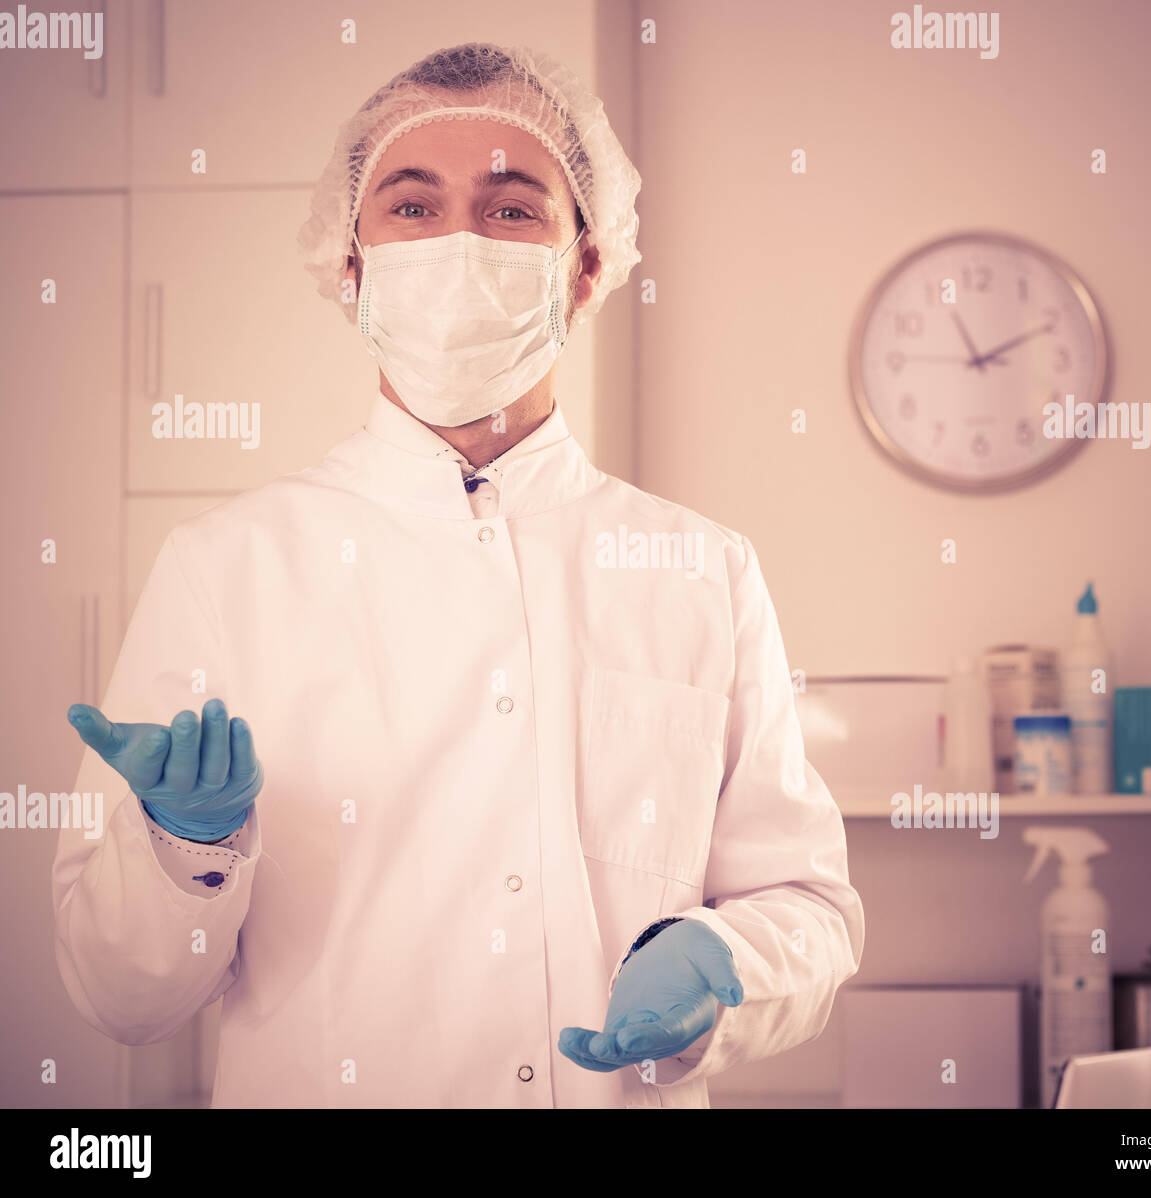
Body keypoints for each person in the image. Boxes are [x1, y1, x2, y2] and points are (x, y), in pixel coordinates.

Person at [52, 41, 864, 1109]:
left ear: (586, 267)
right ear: (351, 266)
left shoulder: (701, 569)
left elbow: (808, 905)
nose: (461, 243)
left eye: (512, 208)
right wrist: (180, 848)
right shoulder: (228, 566)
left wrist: (725, 961)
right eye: (413, 206)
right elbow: (119, 996)